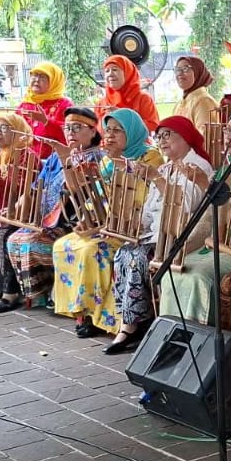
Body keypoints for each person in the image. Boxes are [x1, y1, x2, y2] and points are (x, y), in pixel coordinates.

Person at [106, 115, 214, 354]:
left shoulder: (197, 166)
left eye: (168, 134)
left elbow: (184, 208)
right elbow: (149, 211)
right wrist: (134, 227)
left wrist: (155, 177)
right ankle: (131, 320)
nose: (162, 141)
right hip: (155, 235)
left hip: (179, 237)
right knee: (123, 251)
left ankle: (133, 326)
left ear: (185, 137)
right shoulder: (166, 167)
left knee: (138, 257)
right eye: (159, 136)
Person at [157, 112, 231, 325]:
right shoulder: (228, 169)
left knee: (198, 276)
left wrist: (205, 185)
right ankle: (171, 335)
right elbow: (208, 217)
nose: (227, 136)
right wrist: (183, 246)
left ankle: (199, 340)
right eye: (226, 130)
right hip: (218, 243)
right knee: (172, 271)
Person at [51, 109, 158, 339]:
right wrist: (87, 220)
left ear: (132, 132)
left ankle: (107, 319)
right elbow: (87, 193)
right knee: (64, 245)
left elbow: (138, 197)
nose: (110, 135)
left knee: (92, 251)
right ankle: (85, 313)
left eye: (117, 130)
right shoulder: (108, 160)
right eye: (108, 130)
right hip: (106, 224)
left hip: (134, 227)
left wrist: (119, 161)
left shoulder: (149, 157)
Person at [6, 107, 101, 308]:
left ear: (93, 131)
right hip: (45, 217)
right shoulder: (56, 155)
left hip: (75, 220)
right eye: (67, 128)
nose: (71, 133)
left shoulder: (96, 157)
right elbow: (36, 186)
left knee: (34, 242)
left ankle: (53, 292)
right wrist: (19, 205)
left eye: (77, 127)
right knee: (13, 239)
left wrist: (68, 160)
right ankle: (41, 295)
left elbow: (78, 191)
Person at [0, 113, 39, 314]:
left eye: (5, 128)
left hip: (22, 214)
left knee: (2, 236)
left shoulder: (26, 157)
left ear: (18, 131)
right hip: (0, 213)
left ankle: (10, 293)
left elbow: (22, 191)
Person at [17, 62, 73, 158]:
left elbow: (70, 134)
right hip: (26, 162)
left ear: (53, 81)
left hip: (55, 163)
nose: (36, 80)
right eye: (34, 75)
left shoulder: (64, 104)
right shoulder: (25, 104)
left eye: (42, 77)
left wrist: (46, 122)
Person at [98, 54, 160, 131]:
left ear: (128, 73)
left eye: (114, 69)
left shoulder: (143, 99)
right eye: (107, 71)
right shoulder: (102, 103)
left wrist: (124, 117)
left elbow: (153, 126)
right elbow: (95, 132)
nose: (110, 74)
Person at [171, 55, 220, 127]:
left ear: (198, 72)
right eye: (177, 69)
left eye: (185, 69)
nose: (180, 74)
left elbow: (205, 137)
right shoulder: (180, 103)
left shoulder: (204, 101)